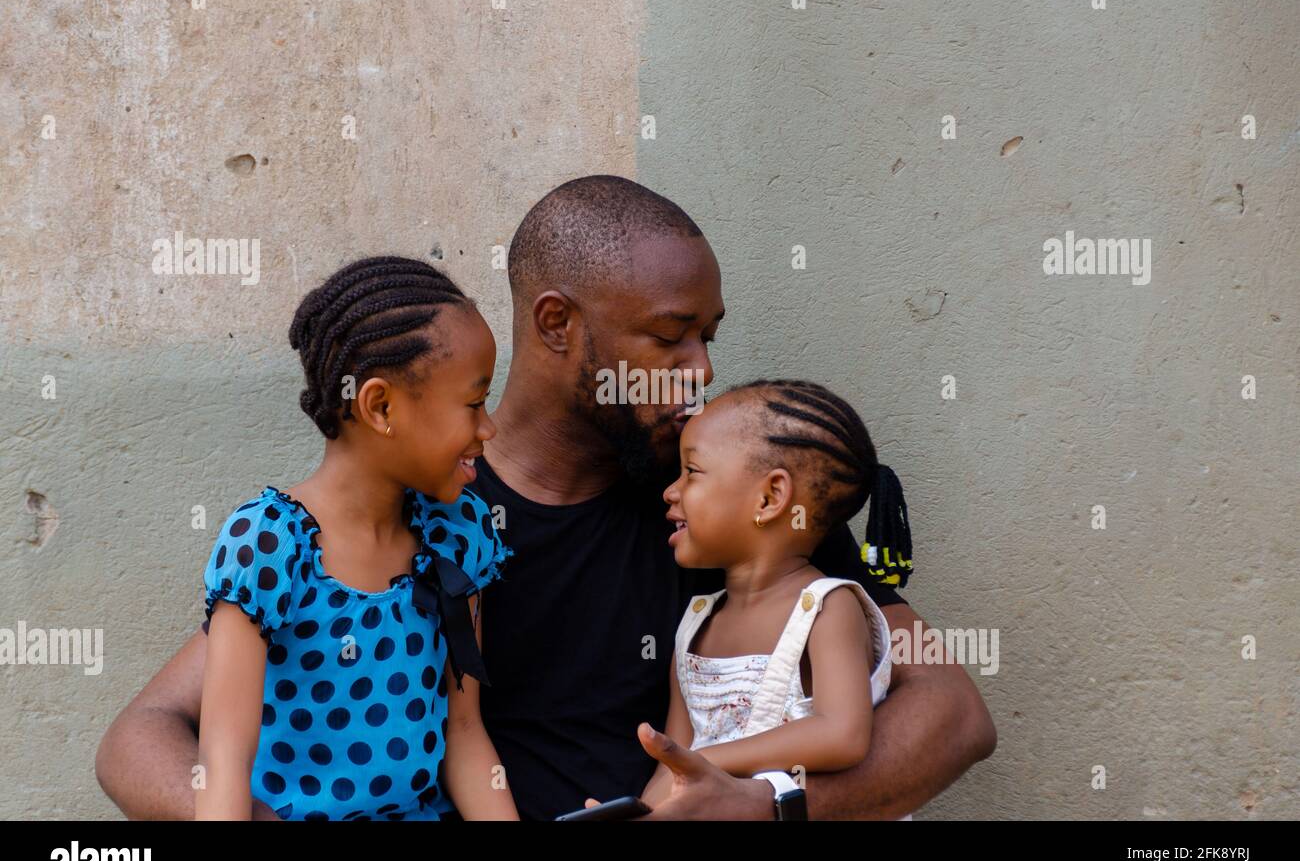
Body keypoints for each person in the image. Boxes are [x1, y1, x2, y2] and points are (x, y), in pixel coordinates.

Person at [96, 176, 996, 821]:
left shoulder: (732, 503)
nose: (702, 375)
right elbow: (141, 734)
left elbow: (953, 712)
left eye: (709, 339)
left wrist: (767, 807)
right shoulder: (419, 512)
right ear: (558, 324)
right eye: (671, 339)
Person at [194, 256, 517, 820]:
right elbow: (223, 757)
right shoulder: (268, 545)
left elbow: (465, 734)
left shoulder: (456, 534)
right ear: (380, 405)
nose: (487, 428)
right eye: (473, 403)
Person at [640, 381, 906, 817]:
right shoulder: (695, 623)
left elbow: (842, 734)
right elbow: (673, 763)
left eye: (691, 472)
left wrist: (709, 761)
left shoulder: (827, 608)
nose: (671, 491)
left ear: (770, 498)